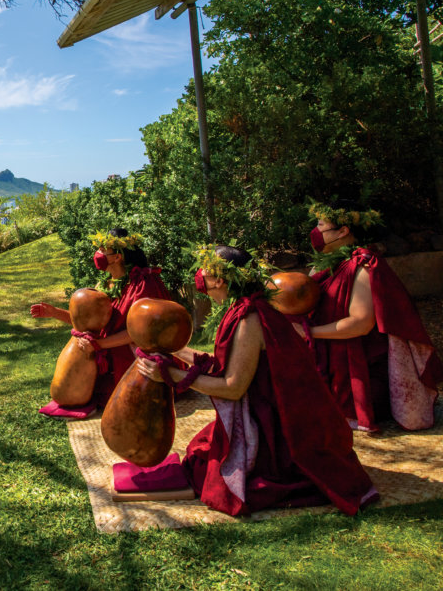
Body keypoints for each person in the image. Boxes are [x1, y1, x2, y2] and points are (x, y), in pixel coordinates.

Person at [136, 245, 378, 516]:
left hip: (277, 426)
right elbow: (224, 362)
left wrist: (170, 375)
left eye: (203, 271)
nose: (199, 277)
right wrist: (172, 350)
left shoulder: (249, 318)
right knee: (200, 453)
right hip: (268, 410)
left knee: (210, 471)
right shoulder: (244, 308)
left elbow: (233, 387)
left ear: (218, 279)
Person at [301, 200, 442, 431]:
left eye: (320, 225)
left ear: (344, 231)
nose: (315, 232)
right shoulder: (329, 264)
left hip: (359, 366)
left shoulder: (363, 265)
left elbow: (360, 324)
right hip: (329, 359)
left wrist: (309, 332)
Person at [31, 229, 171, 416]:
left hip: (133, 355)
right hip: (103, 351)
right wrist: (54, 313)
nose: (98, 254)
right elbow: (87, 323)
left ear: (118, 257)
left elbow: (141, 332)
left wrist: (98, 345)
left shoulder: (143, 284)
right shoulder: (104, 284)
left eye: (103, 250)